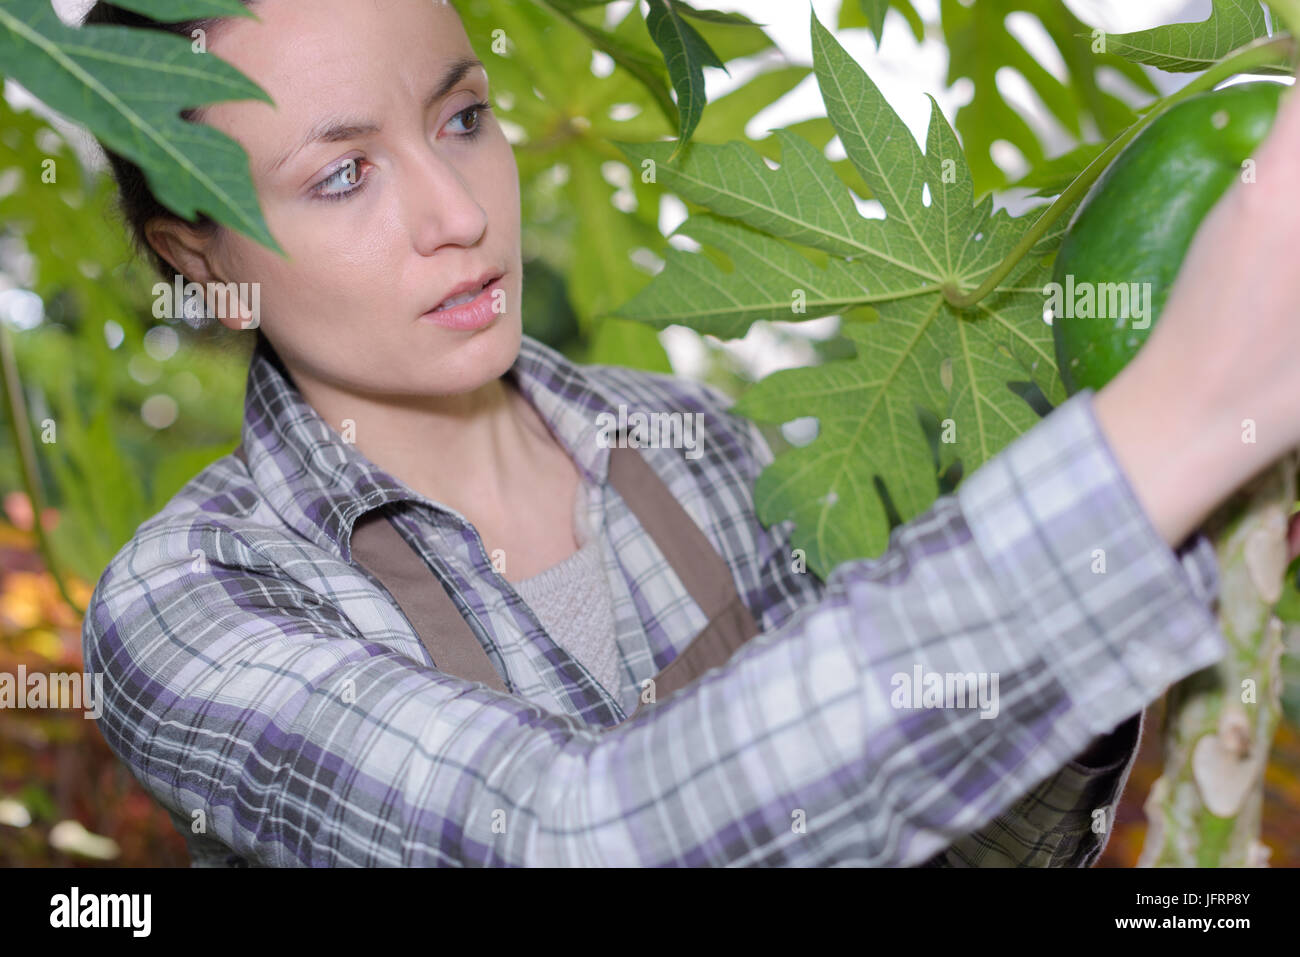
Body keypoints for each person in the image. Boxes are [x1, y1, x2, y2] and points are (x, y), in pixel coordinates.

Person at [78, 0, 1300, 867]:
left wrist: (1128, 570)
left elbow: (948, 847)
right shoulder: (190, 604)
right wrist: (1161, 433)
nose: (457, 213)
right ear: (200, 254)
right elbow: (570, 839)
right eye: (341, 177)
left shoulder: (698, 440)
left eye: (461, 118)